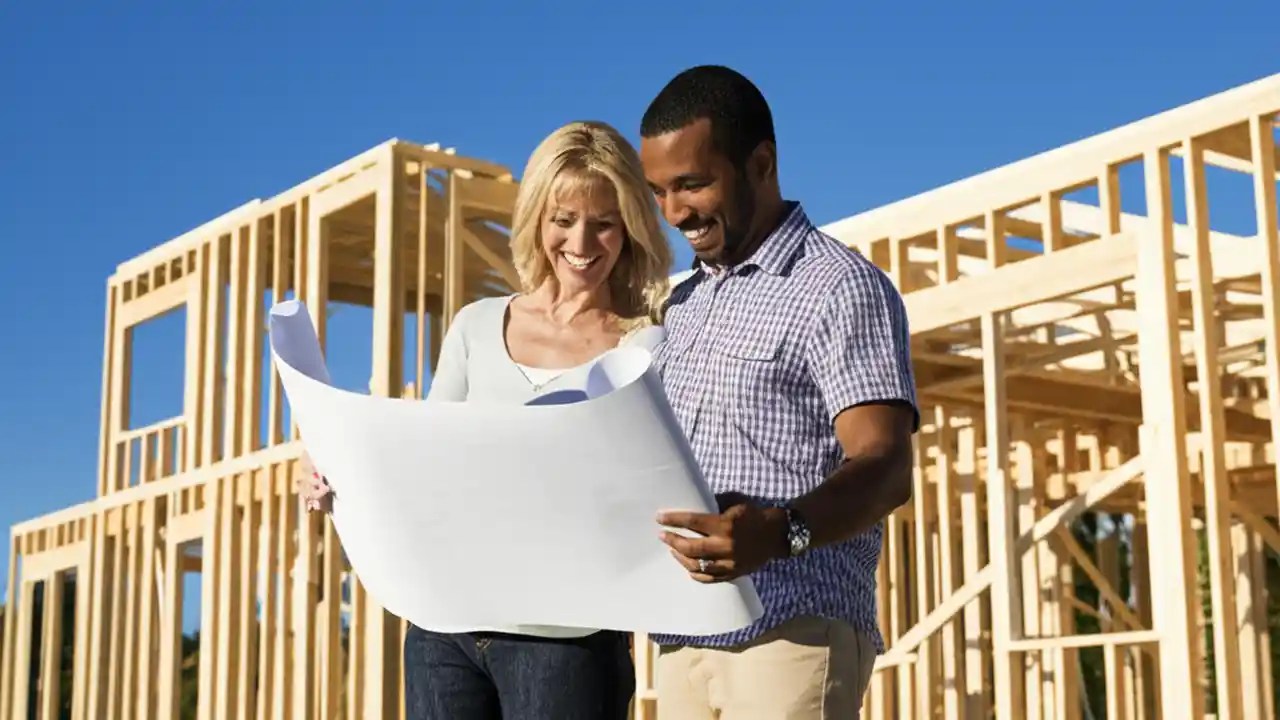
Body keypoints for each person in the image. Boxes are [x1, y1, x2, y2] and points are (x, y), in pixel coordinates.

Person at [297, 119, 673, 719]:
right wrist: (337, 472)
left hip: (564, 640)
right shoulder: (477, 325)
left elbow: (644, 491)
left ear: (630, 226)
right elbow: (428, 463)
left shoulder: (645, 346)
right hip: (444, 630)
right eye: (564, 220)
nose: (582, 242)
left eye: (604, 222)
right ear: (537, 220)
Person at [637, 65, 919, 718]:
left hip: (793, 629)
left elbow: (886, 465)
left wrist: (778, 532)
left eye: (693, 184)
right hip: (686, 635)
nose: (675, 212)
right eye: (659, 192)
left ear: (761, 162)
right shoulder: (683, 305)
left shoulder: (839, 287)